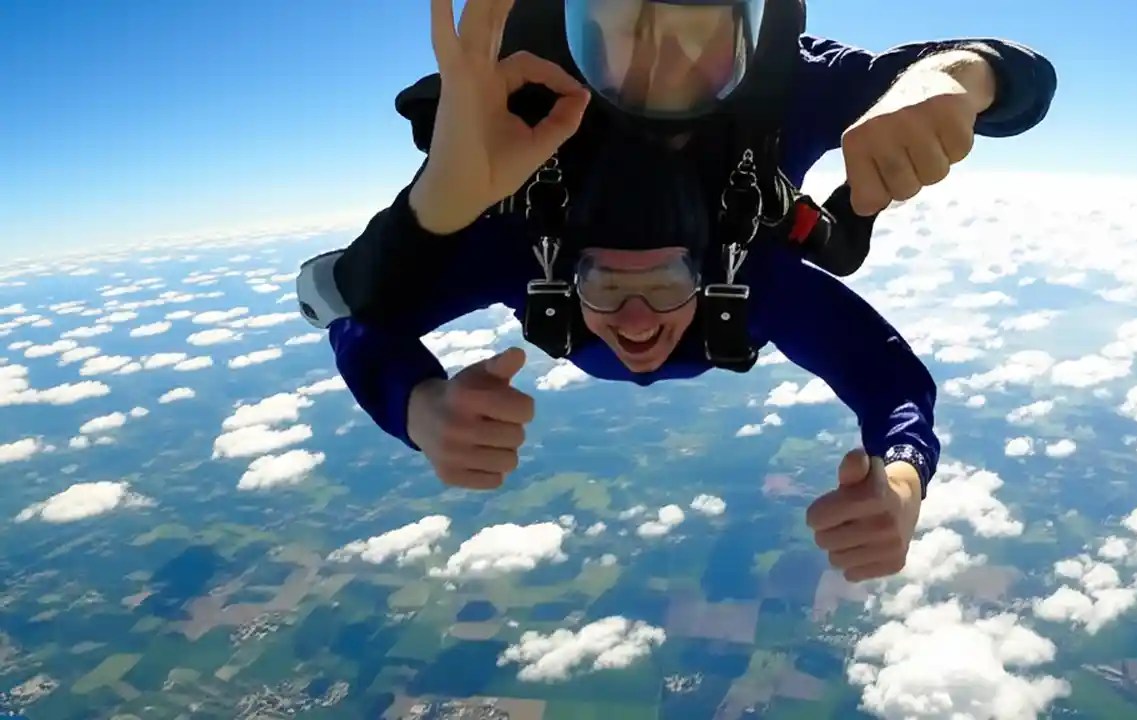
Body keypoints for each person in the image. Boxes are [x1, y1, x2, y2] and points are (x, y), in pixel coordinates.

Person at [296, 0, 1057, 583]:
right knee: (821, 250)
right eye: (624, 24)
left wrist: (951, 79)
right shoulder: (520, 190)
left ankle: (840, 222)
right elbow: (347, 299)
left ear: (750, 26)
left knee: (831, 242)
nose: (634, 319)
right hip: (717, 240)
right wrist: (439, 209)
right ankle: (834, 226)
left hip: (748, 231)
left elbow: (1013, 76)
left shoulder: (776, 115)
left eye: (700, 31)